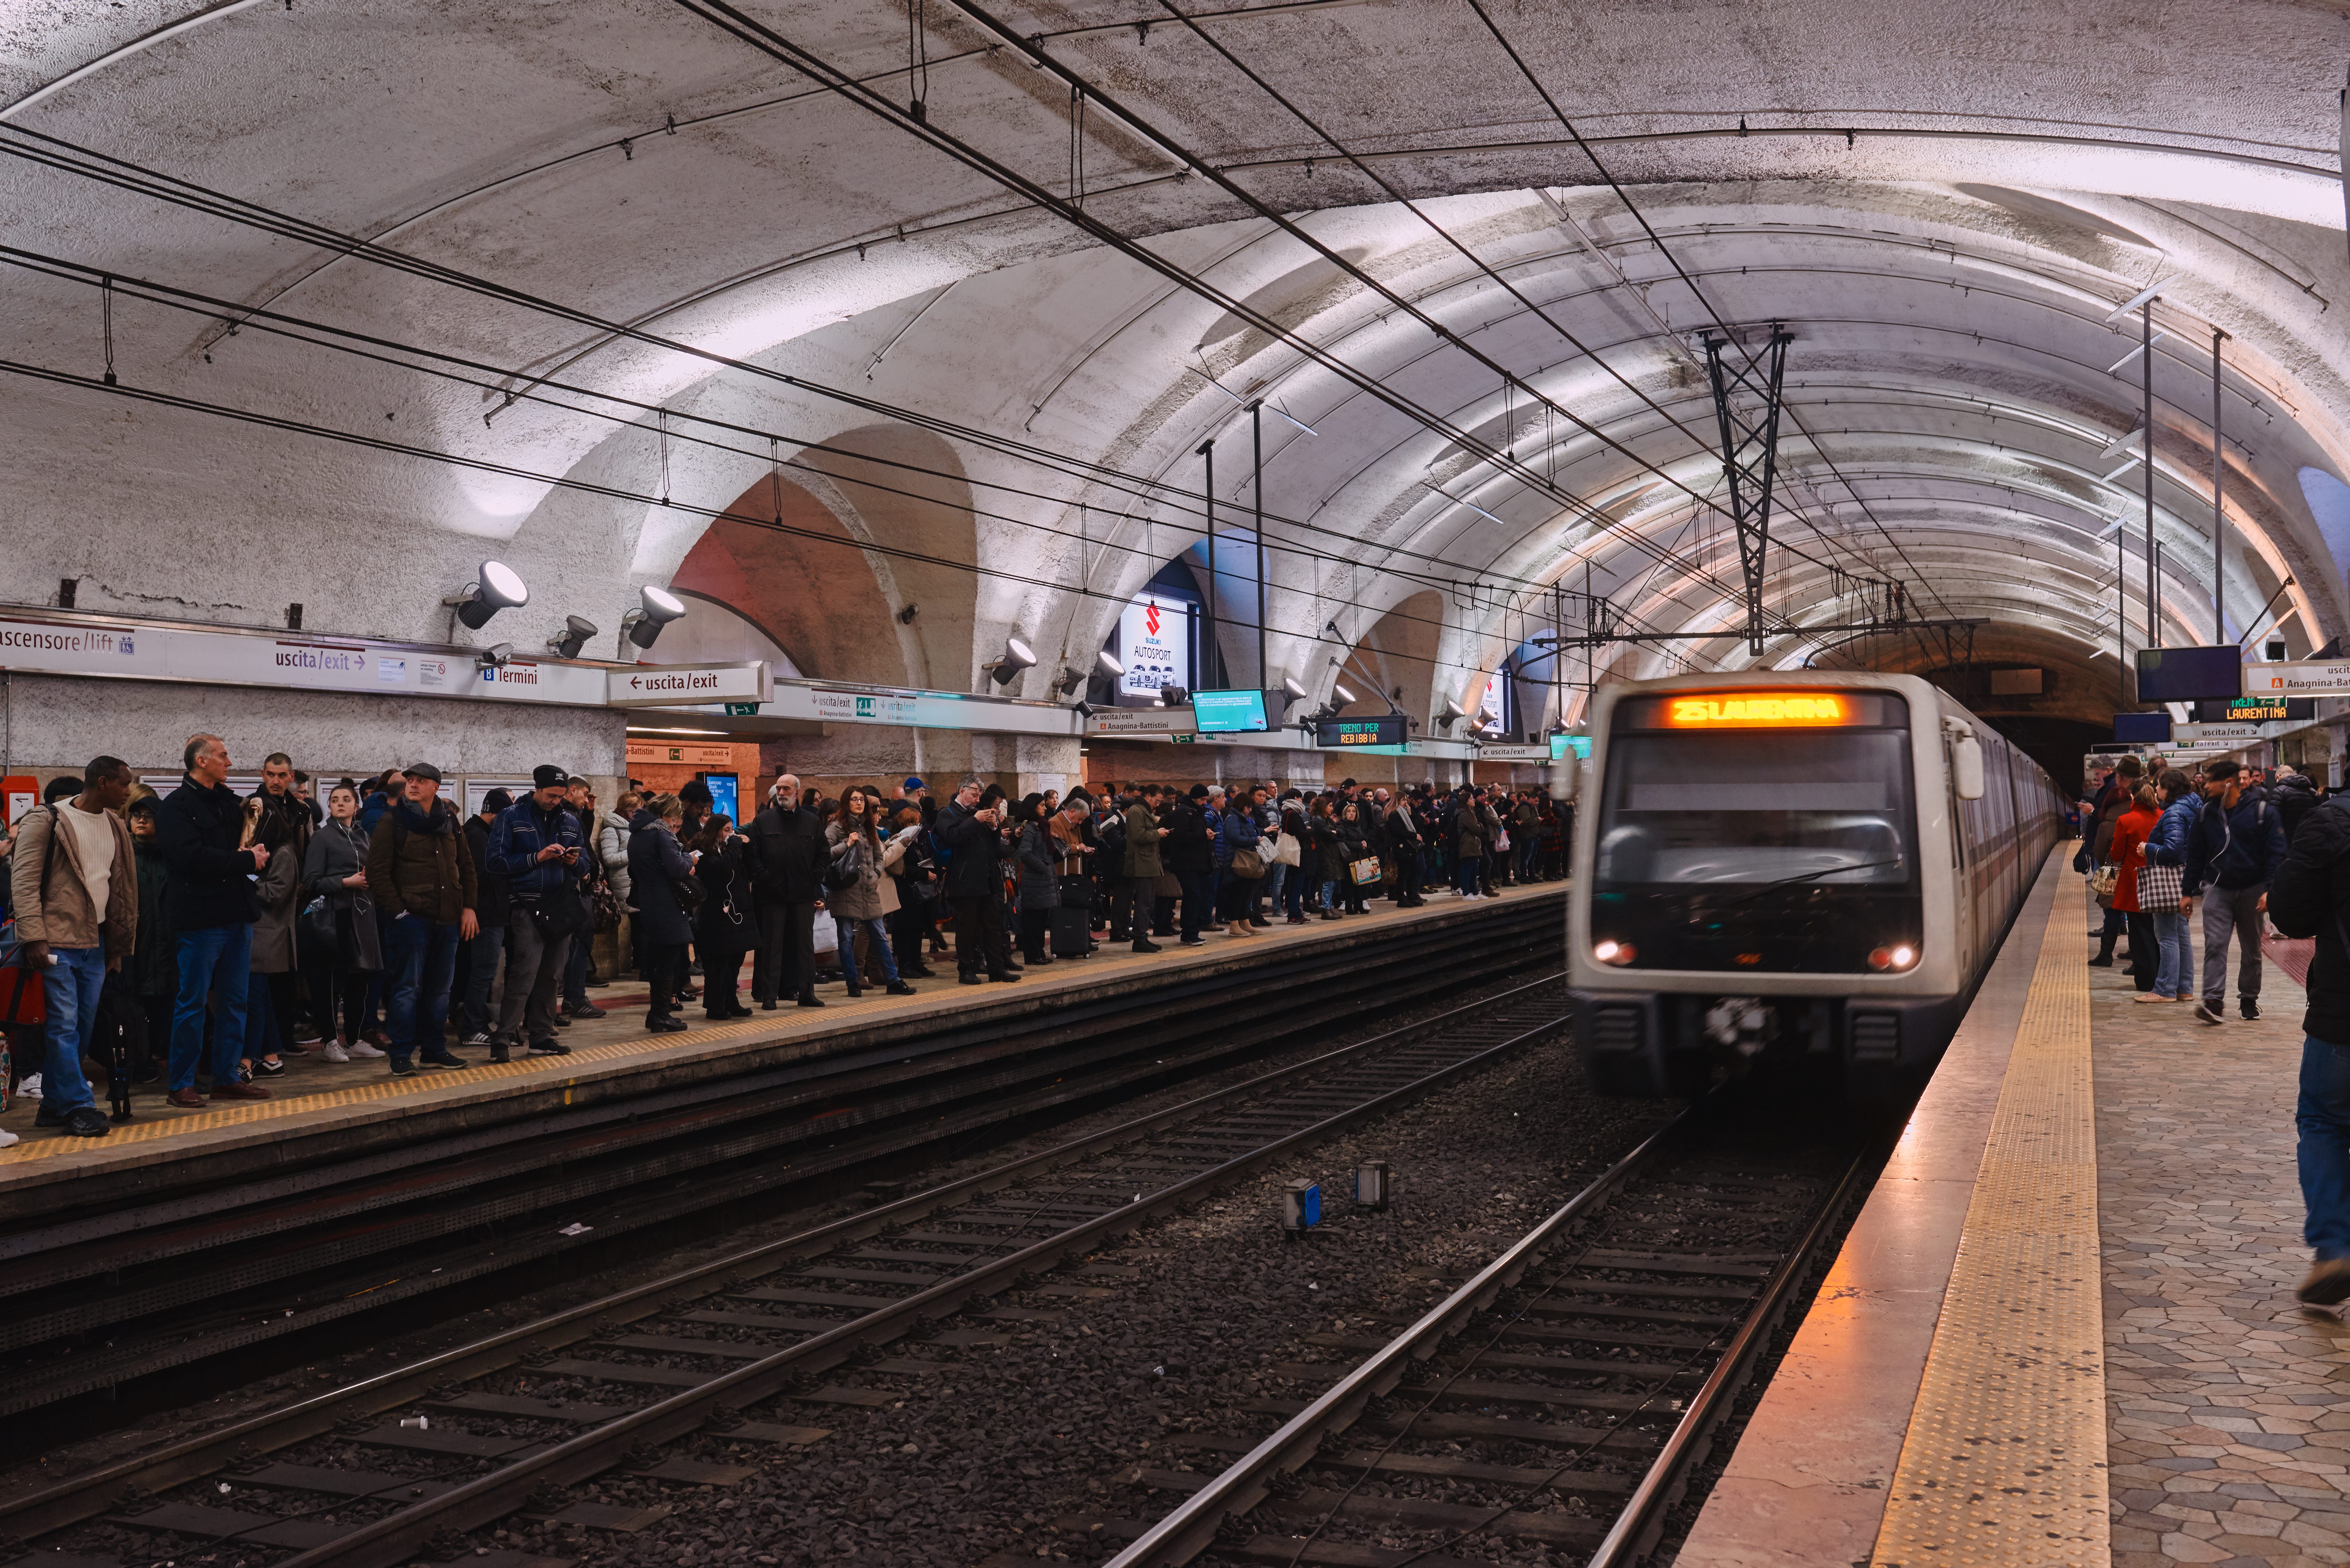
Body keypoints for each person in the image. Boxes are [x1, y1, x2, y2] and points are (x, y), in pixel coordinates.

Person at [7, 755, 138, 1136]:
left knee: (81, 1026)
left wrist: (116, 948)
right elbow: (24, 882)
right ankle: (78, 1105)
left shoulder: (115, 824)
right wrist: (34, 937)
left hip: (95, 943)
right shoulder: (48, 819)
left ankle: (53, 1103)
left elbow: (121, 889)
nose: (129, 791)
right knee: (64, 1026)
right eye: (124, 784)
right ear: (103, 782)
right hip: (56, 941)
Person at [2263, 780, 2350, 1302]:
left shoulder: (2331, 821)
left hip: (2343, 1014)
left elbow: (2291, 915)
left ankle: (2335, 1248)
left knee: (2323, 1122)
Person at [156, 735, 272, 1106]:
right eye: (223, 756)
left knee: (235, 1001)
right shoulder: (176, 807)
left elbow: (239, 849)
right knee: (192, 1003)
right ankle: (181, 1084)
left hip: (237, 913)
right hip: (200, 918)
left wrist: (255, 850)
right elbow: (191, 858)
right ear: (202, 761)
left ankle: (226, 1078)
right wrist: (246, 860)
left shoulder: (229, 803)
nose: (229, 762)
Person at [364, 761, 479, 1076]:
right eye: (410, 780)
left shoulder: (449, 821)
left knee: (440, 990)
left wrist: (469, 907)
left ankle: (433, 1050)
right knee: (407, 989)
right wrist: (399, 912)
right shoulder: (393, 821)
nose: (413, 785)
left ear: (435, 788)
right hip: (411, 919)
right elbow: (377, 873)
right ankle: (401, 1053)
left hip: (448, 919)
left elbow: (466, 866)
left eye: (421, 781)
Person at [484, 766, 586, 1062]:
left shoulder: (570, 821)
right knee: (524, 973)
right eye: (551, 795)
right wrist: (537, 857)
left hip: (560, 905)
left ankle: (541, 1037)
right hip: (527, 904)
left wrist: (573, 862)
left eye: (560, 797)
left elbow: (586, 865)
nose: (555, 801)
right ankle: (503, 1038)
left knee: (552, 975)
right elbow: (494, 862)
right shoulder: (511, 817)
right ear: (537, 789)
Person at [2179, 757, 2291, 1025]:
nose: (2205, 786)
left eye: (2211, 781)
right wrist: (2187, 891)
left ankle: (2249, 999)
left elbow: (2276, 853)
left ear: (2228, 783)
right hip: (2217, 888)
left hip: (2253, 888)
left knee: (2251, 947)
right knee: (2215, 945)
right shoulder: (2206, 815)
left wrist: (2270, 890)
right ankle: (2213, 1002)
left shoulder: (2262, 812)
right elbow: (2195, 855)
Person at [302, 782, 384, 1062]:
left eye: (346, 799)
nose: (340, 803)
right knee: (331, 981)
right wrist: (346, 882)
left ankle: (354, 1039)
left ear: (356, 806)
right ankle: (329, 1041)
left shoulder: (362, 835)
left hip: (363, 915)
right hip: (334, 916)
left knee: (360, 980)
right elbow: (311, 882)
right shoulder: (322, 838)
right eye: (335, 799)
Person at [241, 781, 310, 1079]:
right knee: (262, 1001)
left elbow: (277, 893)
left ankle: (250, 1059)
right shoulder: (263, 849)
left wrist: (247, 881)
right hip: (260, 934)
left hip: (269, 936)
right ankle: (271, 1058)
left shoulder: (284, 852)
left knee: (255, 1000)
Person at [749, 774, 827, 1009]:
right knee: (772, 947)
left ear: (797, 792)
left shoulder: (812, 822)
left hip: (803, 894)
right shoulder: (764, 821)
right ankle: (769, 996)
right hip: (773, 895)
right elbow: (752, 856)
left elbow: (823, 853)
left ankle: (807, 994)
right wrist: (764, 878)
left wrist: (814, 878)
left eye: (786, 789)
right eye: (779, 789)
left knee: (805, 947)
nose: (781, 793)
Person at [827, 788, 915, 996]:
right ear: (846, 802)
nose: (859, 803)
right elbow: (823, 854)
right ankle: (853, 983)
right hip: (845, 889)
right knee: (845, 939)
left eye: (861, 800)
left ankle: (893, 981)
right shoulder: (836, 827)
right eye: (854, 799)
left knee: (881, 936)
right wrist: (846, 844)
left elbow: (878, 856)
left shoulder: (869, 826)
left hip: (869, 890)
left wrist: (876, 873)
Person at [934, 777, 1018, 983]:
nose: (978, 799)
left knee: (993, 928)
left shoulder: (978, 813)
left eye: (980, 795)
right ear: (962, 791)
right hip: (964, 882)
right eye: (975, 794)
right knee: (967, 929)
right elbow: (952, 837)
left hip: (988, 880)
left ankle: (997, 969)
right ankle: (966, 970)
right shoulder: (948, 814)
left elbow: (994, 846)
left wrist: (994, 827)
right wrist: (976, 820)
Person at [629, 795, 696, 1033]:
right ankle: (661, 1015)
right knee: (668, 961)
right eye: (674, 818)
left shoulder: (637, 834)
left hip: (648, 902)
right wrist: (689, 858)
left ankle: (655, 1014)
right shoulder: (661, 834)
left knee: (657, 960)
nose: (675, 823)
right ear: (665, 815)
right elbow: (677, 868)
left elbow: (633, 871)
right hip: (667, 904)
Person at [2138, 769, 2201, 1006]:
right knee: (2182, 934)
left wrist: (2148, 848)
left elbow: (2172, 849)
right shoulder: (2193, 807)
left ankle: (2165, 989)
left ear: (2169, 789)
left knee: (2167, 936)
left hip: (2170, 877)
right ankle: (2184, 988)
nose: (2156, 789)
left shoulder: (2174, 812)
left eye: (2159, 786)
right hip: (2184, 877)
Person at [126, 793, 176, 1082]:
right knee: (135, 1006)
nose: (141, 820)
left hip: (169, 946)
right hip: (136, 947)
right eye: (136, 815)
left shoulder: (172, 856)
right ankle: (139, 1063)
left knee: (171, 1005)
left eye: (149, 816)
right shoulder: (123, 857)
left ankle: (174, 1063)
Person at [459, 788, 513, 1049]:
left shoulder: (478, 833)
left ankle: (476, 1022)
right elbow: (481, 876)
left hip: (488, 913)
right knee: (483, 972)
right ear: (497, 814)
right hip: (486, 916)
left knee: (480, 972)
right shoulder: (478, 836)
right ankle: (472, 1028)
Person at [693, 813, 758, 1016]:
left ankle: (731, 1001)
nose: (731, 834)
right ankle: (715, 1006)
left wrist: (748, 848)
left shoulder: (730, 849)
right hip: (716, 913)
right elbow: (722, 867)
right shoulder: (703, 850)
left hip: (738, 910)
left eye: (732, 830)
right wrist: (736, 845)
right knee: (718, 962)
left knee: (735, 960)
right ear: (716, 831)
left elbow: (751, 871)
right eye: (727, 830)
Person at [2108, 781, 2164, 996]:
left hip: (2135, 884)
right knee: (2162, 933)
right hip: (2161, 883)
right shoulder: (2164, 817)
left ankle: (2146, 981)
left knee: (2140, 935)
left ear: (2133, 797)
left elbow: (2116, 854)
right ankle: (2165, 978)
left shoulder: (2126, 820)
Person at [560, 777, 608, 1021]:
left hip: (580, 889)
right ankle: (575, 998)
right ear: (572, 790)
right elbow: (579, 848)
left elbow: (584, 839)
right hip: (575, 891)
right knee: (579, 944)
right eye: (585, 794)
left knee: (579, 944)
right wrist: (585, 871)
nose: (586, 798)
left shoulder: (573, 815)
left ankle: (574, 997)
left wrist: (588, 813)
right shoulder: (566, 816)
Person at [1011, 794, 1064, 966]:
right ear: (1033, 807)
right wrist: (1044, 867)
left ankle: (1039, 952)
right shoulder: (1029, 828)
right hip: (1035, 881)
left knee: (1041, 920)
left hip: (1043, 881)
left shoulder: (1041, 826)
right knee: (1033, 921)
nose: (1044, 808)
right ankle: (1032, 954)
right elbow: (1025, 853)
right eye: (1042, 805)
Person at [600, 790, 636, 977]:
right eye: (633, 811)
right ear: (623, 810)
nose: (635, 815)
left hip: (635, 880)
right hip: (625, 882)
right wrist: (635, 852)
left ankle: (642, 963)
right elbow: (610, 859)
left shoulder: (633, 828)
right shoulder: (611, 830)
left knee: (642, 926)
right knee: (639, 925)